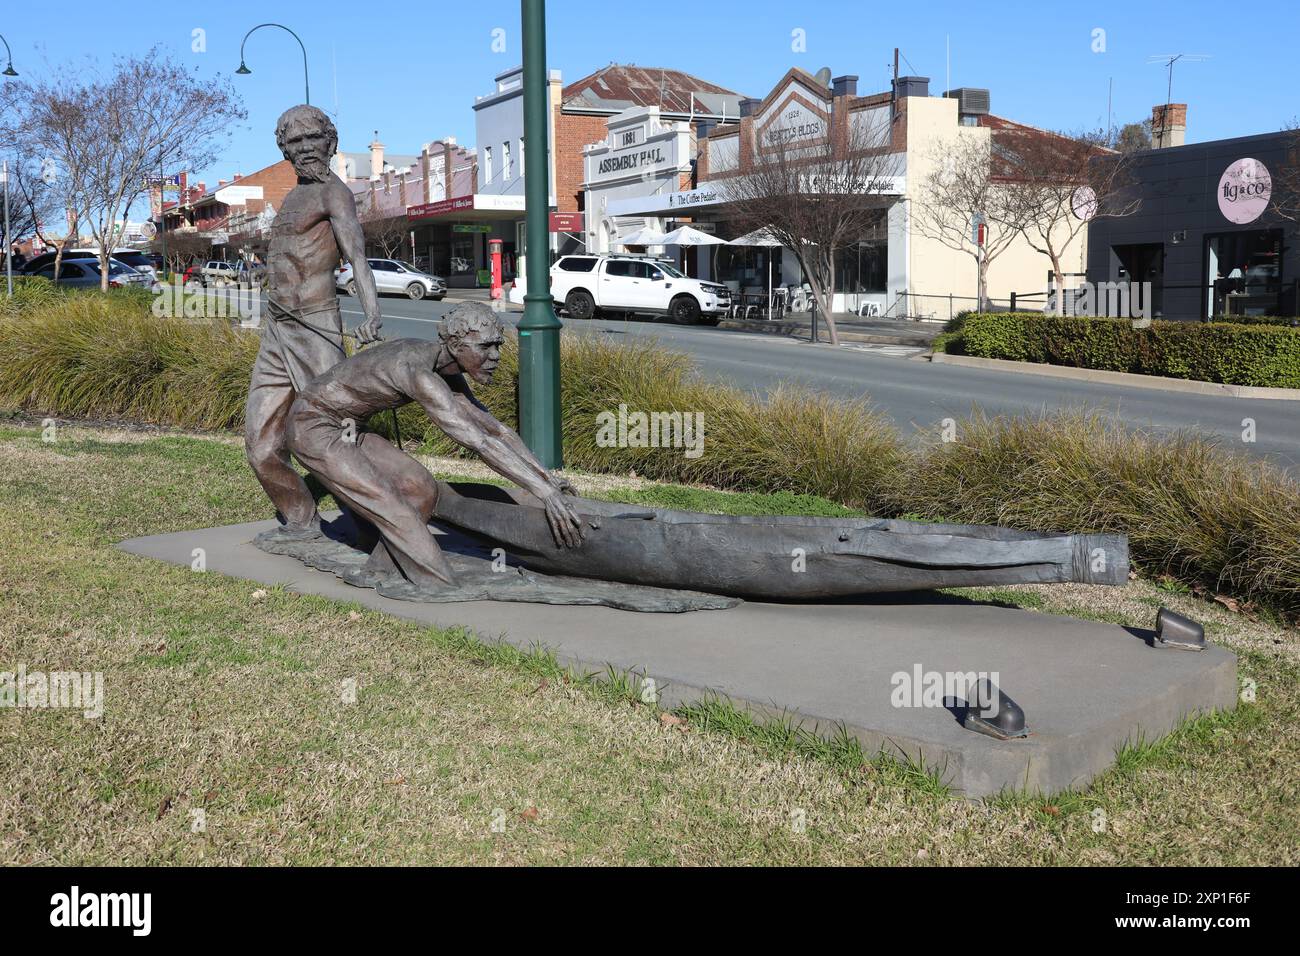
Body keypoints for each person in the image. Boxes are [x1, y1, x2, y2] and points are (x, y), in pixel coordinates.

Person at [286, 303, 584, 590]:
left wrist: (548, 480)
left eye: (497, 345)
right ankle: (438, 584)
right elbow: (478, 442)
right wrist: (543, 493)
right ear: (455, 345)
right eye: (484, 347)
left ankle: (380, 568)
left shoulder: (444, 367)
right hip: (312, 427)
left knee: (420, 488)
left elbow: (496, 430)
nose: (495, 356)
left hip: (350, 429)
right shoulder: (420, 373)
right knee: (393, 506)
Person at [244, 104, 384, 540]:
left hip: (316, 326)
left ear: (331, 142)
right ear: (283, 148)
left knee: (334, 435)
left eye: (313, 139)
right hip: (277, 331)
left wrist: (372, 312)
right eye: (295, 141)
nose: (305, 148)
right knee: (261, 445)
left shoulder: (333, 193)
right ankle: (302, 521)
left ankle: (378, 525)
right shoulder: (290, 198)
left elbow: (356, 256)